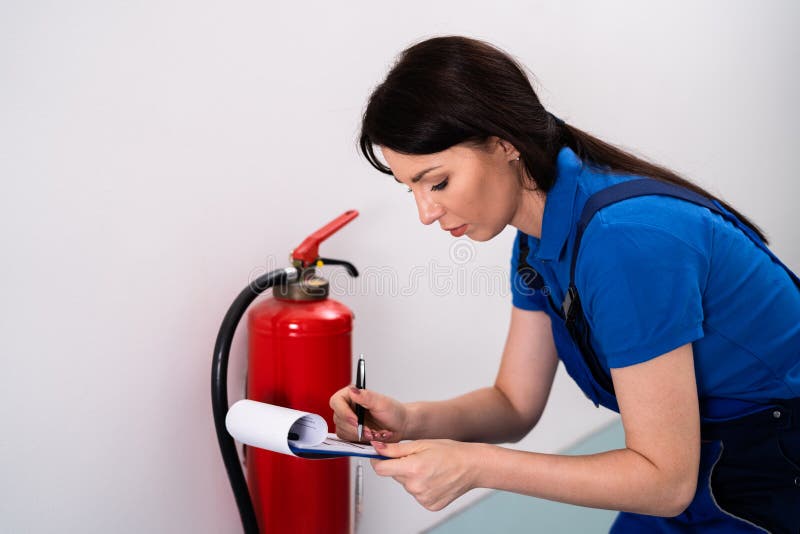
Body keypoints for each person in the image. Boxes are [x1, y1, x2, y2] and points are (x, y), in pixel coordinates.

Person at [329, 35, 800, 532]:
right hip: (697, 460)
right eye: (412, 189)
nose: (425, 213)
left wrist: (474, 467)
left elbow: (665, 482)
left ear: (504, 142)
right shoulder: (540, 237)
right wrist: (409, 419)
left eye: (437, 182)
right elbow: (514, 402)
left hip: (770, 468)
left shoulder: (625, 242)